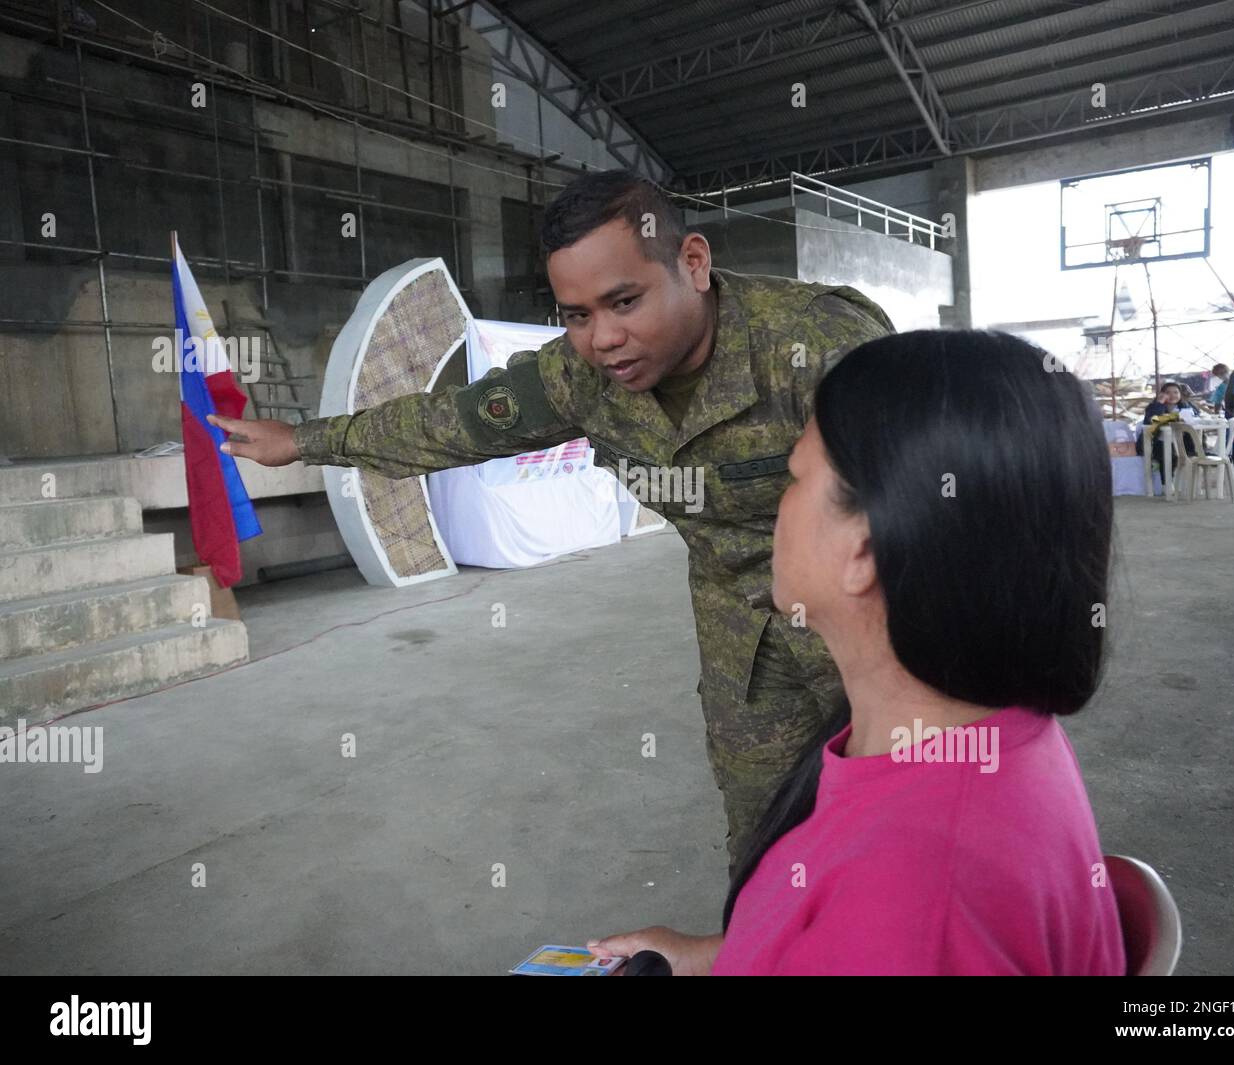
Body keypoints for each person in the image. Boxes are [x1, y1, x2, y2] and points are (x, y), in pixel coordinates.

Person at [204, 169, 895, 872]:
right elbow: (454, 424)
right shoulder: (582, 375)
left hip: (873, 628)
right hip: (743, 645)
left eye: (624, 301)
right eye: (577, 314)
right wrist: (305, 441)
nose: (604, 338)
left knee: (903, 824)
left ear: (692, 262)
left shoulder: (815, 343)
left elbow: (922, 512)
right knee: (764, 845)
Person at [587, 331, 1124, 975]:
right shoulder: (972, 736)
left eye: (794, 479)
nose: (775, 511)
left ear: (862, 550)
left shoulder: (916, 907)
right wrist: (711, 957)